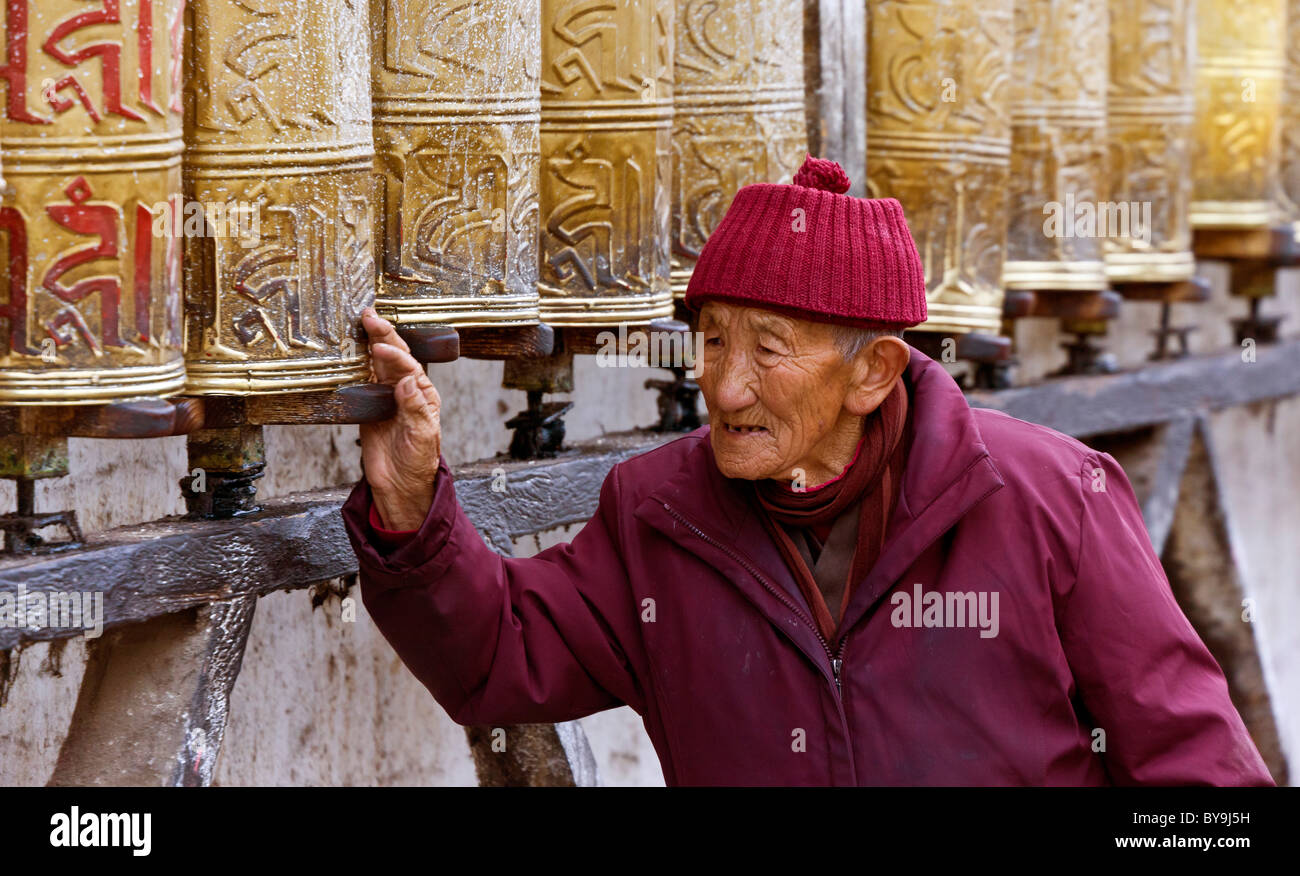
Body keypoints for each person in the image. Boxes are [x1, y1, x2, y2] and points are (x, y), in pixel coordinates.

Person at [342, 155, 1274, 786]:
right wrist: (411, 506)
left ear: (872, 371)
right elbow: (499, 654)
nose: (727, 386)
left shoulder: (1048, 499)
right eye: (710, 341)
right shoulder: (661, 515)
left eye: (769, 349)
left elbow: (1198, 775)